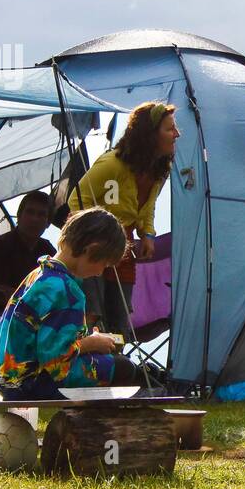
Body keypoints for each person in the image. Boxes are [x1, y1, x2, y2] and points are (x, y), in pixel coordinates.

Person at [0, 207, 138, 401]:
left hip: (5, 378)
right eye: (104, 264)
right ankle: (92, 425)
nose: (100, 273)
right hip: (31, 382)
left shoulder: (38, 275)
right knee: (124, 368)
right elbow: (55, 358)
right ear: (90, 250)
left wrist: (84, 339)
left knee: (110, 363)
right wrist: (91, 343)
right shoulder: (66, 291)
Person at [67, 102, 180, 335]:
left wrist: (147, 233)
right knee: (92, 311)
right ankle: (86, 363)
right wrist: (94, 236)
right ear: (150, 135)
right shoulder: (112, 164)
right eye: (170, 129)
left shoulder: (159, 170)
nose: (177, 134)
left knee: (120, 315)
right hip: (94, 246)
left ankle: (113, 365)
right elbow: (76, 201)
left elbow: (147, 206)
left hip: (124, 247)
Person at [0, 191, 56, 355]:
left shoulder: (47, 251)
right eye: (30, 212)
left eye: (41, 214)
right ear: (19, 216)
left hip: (29, 320)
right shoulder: (0, 247)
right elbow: (5, 296)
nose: (35, 219)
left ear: (48, 222)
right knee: (41, 330)